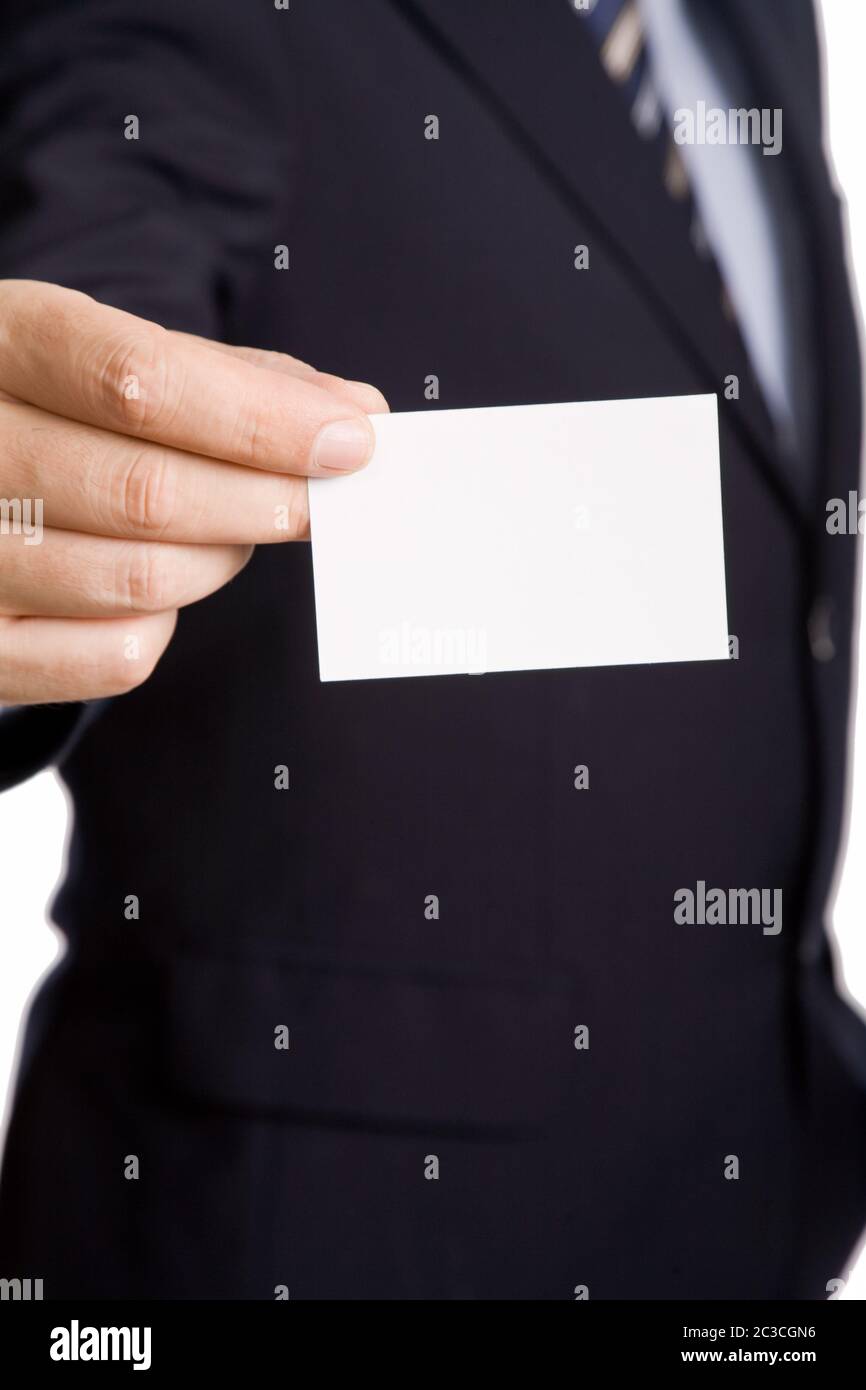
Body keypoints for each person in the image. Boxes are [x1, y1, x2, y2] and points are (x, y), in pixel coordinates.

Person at [0, 0, 864, 1300]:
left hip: (749, 1181)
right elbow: (91, 316)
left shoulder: (751, 22)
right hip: (329, 1231)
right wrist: (39, 506)